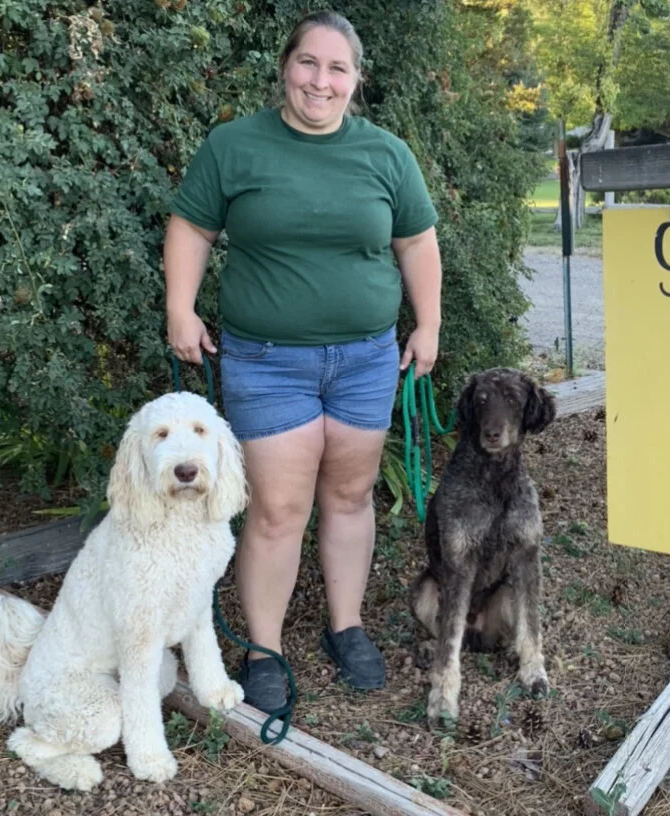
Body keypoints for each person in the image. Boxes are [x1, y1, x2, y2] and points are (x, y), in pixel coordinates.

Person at [163, 10, 442, 713]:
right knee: (279, 509)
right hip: (266, 362)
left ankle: (345, 627)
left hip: (367, 360)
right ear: (286, 67)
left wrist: (429, 324)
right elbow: (191, 226)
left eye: (337, 68)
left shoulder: (386, 154)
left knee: (350, 497)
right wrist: (180, 309)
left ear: (356, 79)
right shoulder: (235, 145)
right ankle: (264, 649)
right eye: (308, 63)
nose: (321, 81)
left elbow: (416, 241)